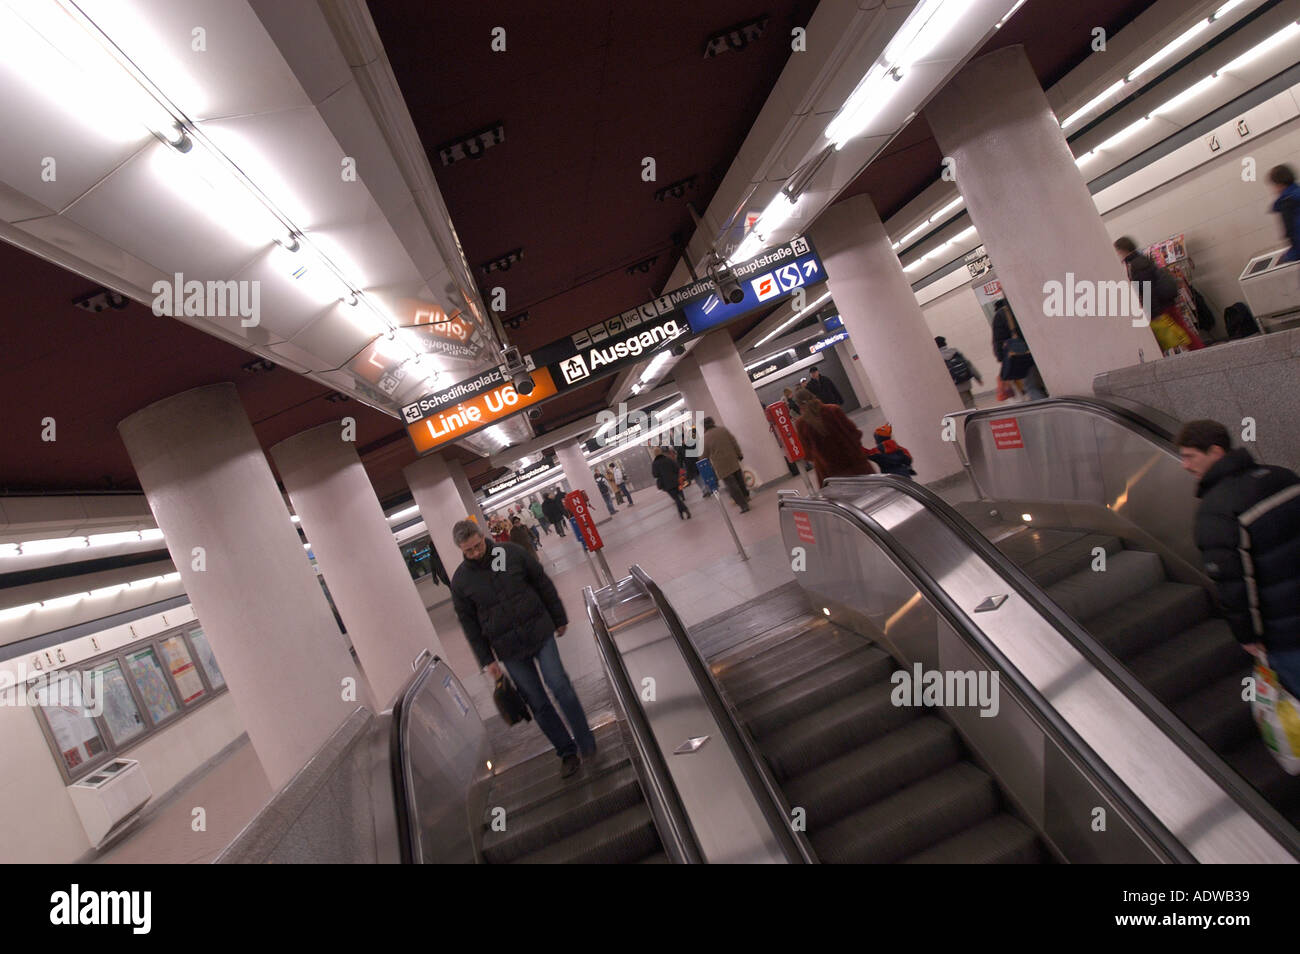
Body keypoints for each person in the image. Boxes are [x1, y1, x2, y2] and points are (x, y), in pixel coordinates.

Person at [449, 521, 596, 777]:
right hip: (508, 649)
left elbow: (542, 584)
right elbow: (469, 625)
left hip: (539, 632)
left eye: (478, 545)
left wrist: (559, 617)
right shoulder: (461, 582)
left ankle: (586, 742)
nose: (476, 553)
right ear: (460, 549)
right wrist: (487, 660)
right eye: (469, 550)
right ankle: (567, 752)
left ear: (483, 537)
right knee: (537, 703)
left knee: (559, 685)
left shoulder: (513, 553)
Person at [1176, 420, 1300, 697]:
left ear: (1216, 452)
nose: (1184, 465)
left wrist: (1248, 637)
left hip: (1288, 636)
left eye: (1190, 456)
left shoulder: (1215, 513)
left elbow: (1234, 586)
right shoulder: (1283, 476)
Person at [1114, 236, 1203, 353]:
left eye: (1117, 251)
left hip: (1161, 305)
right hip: (1164, 302)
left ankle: (1199, 350)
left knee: (1180, 331)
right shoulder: (1139, 260)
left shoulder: (1137, 264)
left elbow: (1146, 289)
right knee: (1180, 329)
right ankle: (1197, 350)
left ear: (1122, 250)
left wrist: (1153, 313)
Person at [792, 388, 876, 488]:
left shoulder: (801, 424)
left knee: (844, 502)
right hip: (856, 463)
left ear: (798, 405)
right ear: (813, 395)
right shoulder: (833, 410)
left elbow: (807, 454)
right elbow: (855, 432)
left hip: (830, 473)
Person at [700, 416, 750, 513]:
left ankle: (743, 505)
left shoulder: (705, 438)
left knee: (732, 486)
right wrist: (739, 454)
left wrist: (704, 462)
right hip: (732, 460)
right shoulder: (723, 430)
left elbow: (703, 455)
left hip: (721, 466)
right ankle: (746, 496)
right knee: (740, 481)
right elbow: (734, 442)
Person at [935, 336, 983, 410]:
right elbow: (968, 364)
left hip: (955, 385)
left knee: (966, 405)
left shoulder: (937, 357)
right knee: (970, 401)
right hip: (965, 380)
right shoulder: (955, 351)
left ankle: (973, 417)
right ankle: (974, 413)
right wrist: (978, 378)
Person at [1269, 164, 1300, 263]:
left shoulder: (1287, 202)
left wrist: (1289, 257)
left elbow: (1294, 231)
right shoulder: (1296, 194)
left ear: (1279, 184)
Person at [652, 446, 691, 519]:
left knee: (676, 498)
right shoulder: (667, 459)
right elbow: (676, 468)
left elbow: (655, 474)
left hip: (666, 484)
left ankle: (685, 510)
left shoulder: (655, 463)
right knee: (677, 498)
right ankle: (681, 513)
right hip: (675, 481)